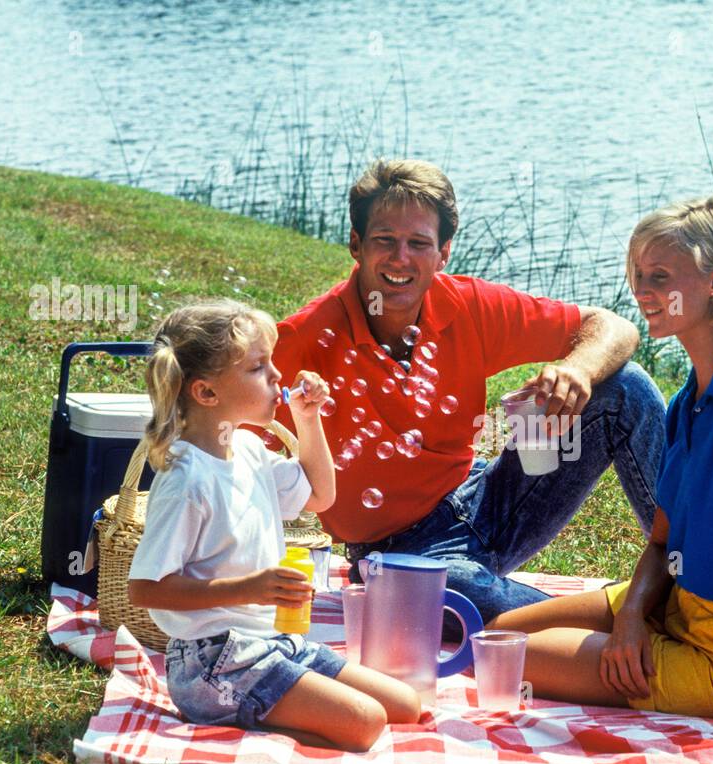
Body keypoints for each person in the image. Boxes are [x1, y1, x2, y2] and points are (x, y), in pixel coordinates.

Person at [488, 197, 713, 764]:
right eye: (638, 276)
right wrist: (630, 618)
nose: (642, 291)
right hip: (675, 603)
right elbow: (660, 540)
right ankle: (638, 635)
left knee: (514, 658)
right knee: (498, 633)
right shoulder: (689, 402)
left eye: (660, 277)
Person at [269, 159, 666, 629]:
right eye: (384, 241)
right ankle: (638, 621)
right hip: (397, 556)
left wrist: (576, 369)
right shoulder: (305, 339)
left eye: (419, 244)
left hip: (486, 498)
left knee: (626, 387)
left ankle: (692, 576)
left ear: (444, 254)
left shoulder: (467, 303)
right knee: (455, 590)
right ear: (356, 244)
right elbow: (231, 444)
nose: (401, 258)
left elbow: (613, 326)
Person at [126, 299, 420, 752]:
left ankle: (287, 713)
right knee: (366, 724)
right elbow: (146, 589)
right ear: (206, 393)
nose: (278, 377)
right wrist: (248, 588)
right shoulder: (187, 480)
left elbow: (320, 495)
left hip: (273, 641)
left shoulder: (244, 449)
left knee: (405, 705)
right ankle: (233, 726)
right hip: (214, 663)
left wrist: (307, 419)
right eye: (259, 367)